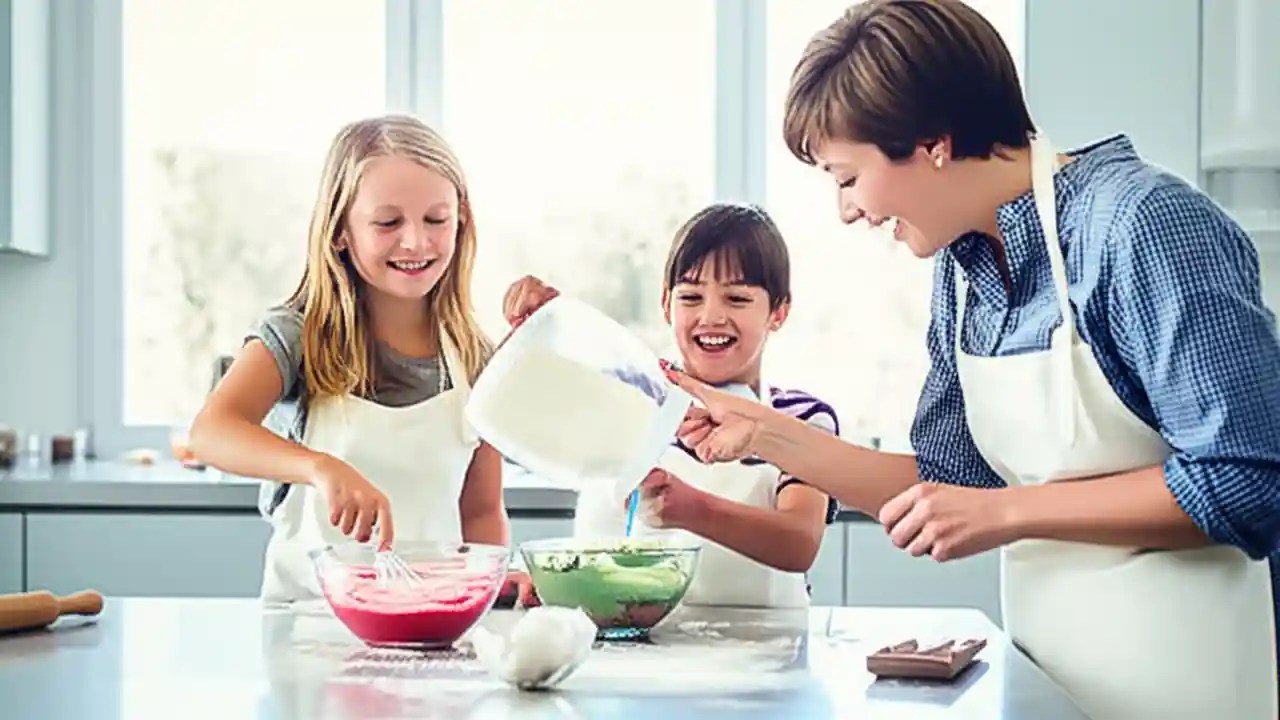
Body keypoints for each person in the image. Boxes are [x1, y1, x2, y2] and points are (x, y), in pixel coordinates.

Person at [553, 2, 1280, 718]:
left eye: (846, 176)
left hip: (1186, 678)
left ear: (932, 141)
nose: (847, 211)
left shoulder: (1139, 225)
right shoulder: (962, 271)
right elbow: (947, 482)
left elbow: (1250, 478)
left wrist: (1009, 511)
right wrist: (762, 432)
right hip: (1050, 673)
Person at [189, 114, 530, 605]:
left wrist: (489, 584)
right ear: (340, 231)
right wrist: (319, 467)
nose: (415, 241)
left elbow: (479, 512)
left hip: (431, 630)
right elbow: (211, 432)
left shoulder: (475, 358)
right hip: (310, 631)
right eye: (388, 222)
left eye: (437, 219)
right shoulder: (301, 334)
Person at [503, 202, 840, 608]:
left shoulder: (801, 419)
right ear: (666, 304)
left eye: (736, 298)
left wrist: (693, 509)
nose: (711, 316)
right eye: (691, 296)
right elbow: (523, 397)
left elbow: (799, 542)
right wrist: (544, 324)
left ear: (778, 312)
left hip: (765, 653)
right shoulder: (627, 399)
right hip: (621, 652)